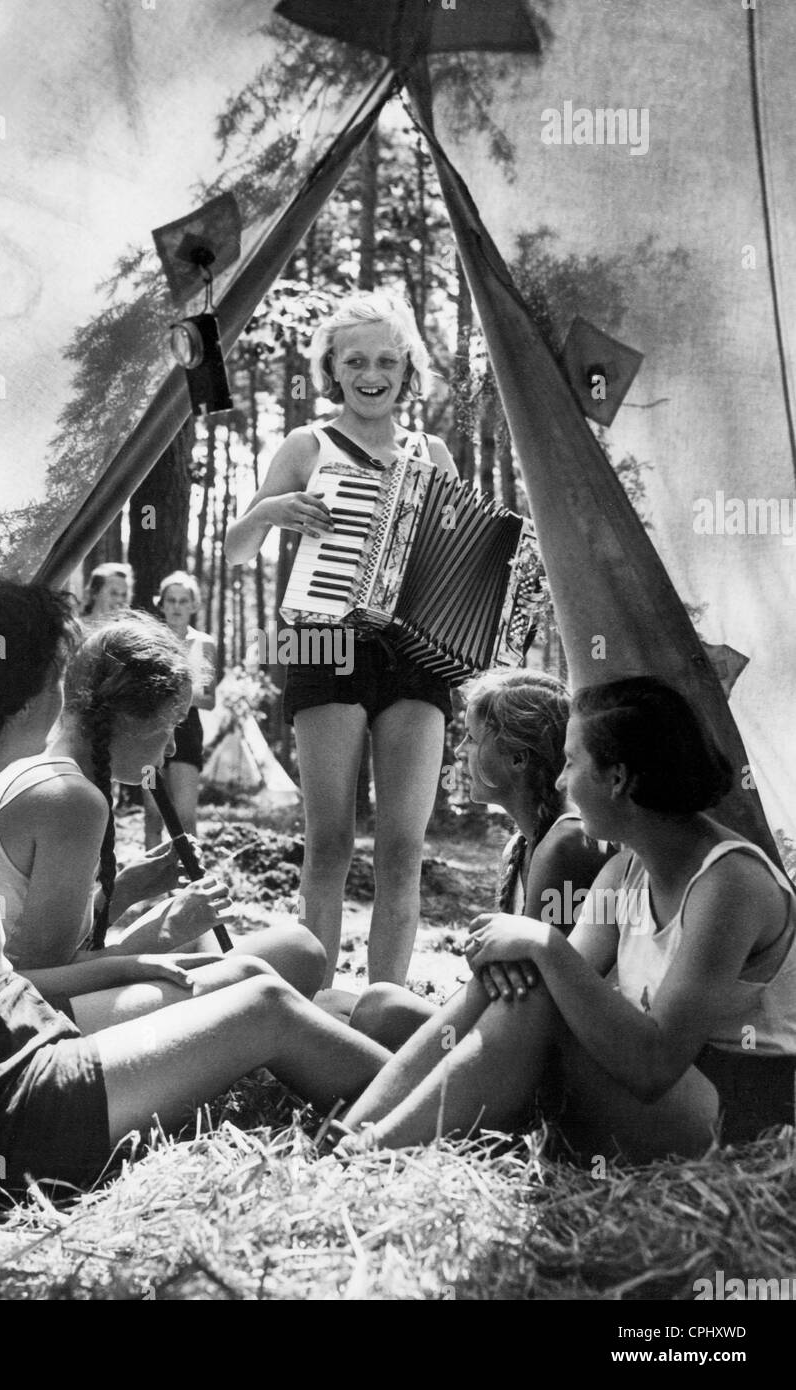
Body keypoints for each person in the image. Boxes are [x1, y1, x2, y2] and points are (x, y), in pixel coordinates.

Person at [0, 577, 391, 1251]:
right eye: (57, 682)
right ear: (20, 696)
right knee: (265, 1004)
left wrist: (133, 959)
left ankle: (417, 1083)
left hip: (3, 1067)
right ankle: (443, 1109)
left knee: (249, 983)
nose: (64, 703)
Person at [340, 678, 796, 1160]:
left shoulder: (729, 885)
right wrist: (519, 954)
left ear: (617, 779)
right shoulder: (627, 869)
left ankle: (372, 1153)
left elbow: (654, 1065)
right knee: (519, 980)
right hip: (665, 1097)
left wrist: (544, 944)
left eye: (573, 762)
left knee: (535, 977)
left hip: (737, 1125)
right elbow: (543, 985)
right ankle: (352, 1138)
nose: (560, 781)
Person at [225, 290, 457, 988]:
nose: (371, 372)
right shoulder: (307, 444)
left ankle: (384, 1006)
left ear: (406, 371)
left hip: (413, 653)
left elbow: (456, 556)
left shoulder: (432, 451)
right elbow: (238, 550)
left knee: (402, 848)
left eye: (387, 360)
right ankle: (309, 1004)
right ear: (330, 367)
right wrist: (270, 510)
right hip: (322, 646)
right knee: (328, 841)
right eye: (354, 359)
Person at [0, 613, 325, 1032]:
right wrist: (152, 938)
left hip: (20, 1004)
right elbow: (35, 979)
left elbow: (34, 935)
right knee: (296, 953)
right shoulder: (73, 801)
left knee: (242, 947)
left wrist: (125, 888)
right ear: (129, 719)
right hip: (25, 1026)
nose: (175, 745)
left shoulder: (36, 771)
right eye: (171, 725)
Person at [348, 670, 614, 1048]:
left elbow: (529, 994)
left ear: (518, 758)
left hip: (536, 1046)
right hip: (508, 1028)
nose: (459, 752)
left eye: (472, 739)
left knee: (377, 1010)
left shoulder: (566, 844)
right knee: (344, 1005)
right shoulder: (521, 845)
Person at [142, 571, 216, 850]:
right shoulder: (149, 640)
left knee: (185, 816)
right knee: (152, 815)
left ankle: (192, 883)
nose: (176, 607)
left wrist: (177, 694)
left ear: (193, 605)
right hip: (152, 730)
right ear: (161, 604)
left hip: (187, 730)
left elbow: (209, 700)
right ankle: (154, 891)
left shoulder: (204, 644)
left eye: (183, 601)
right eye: (170, 600)